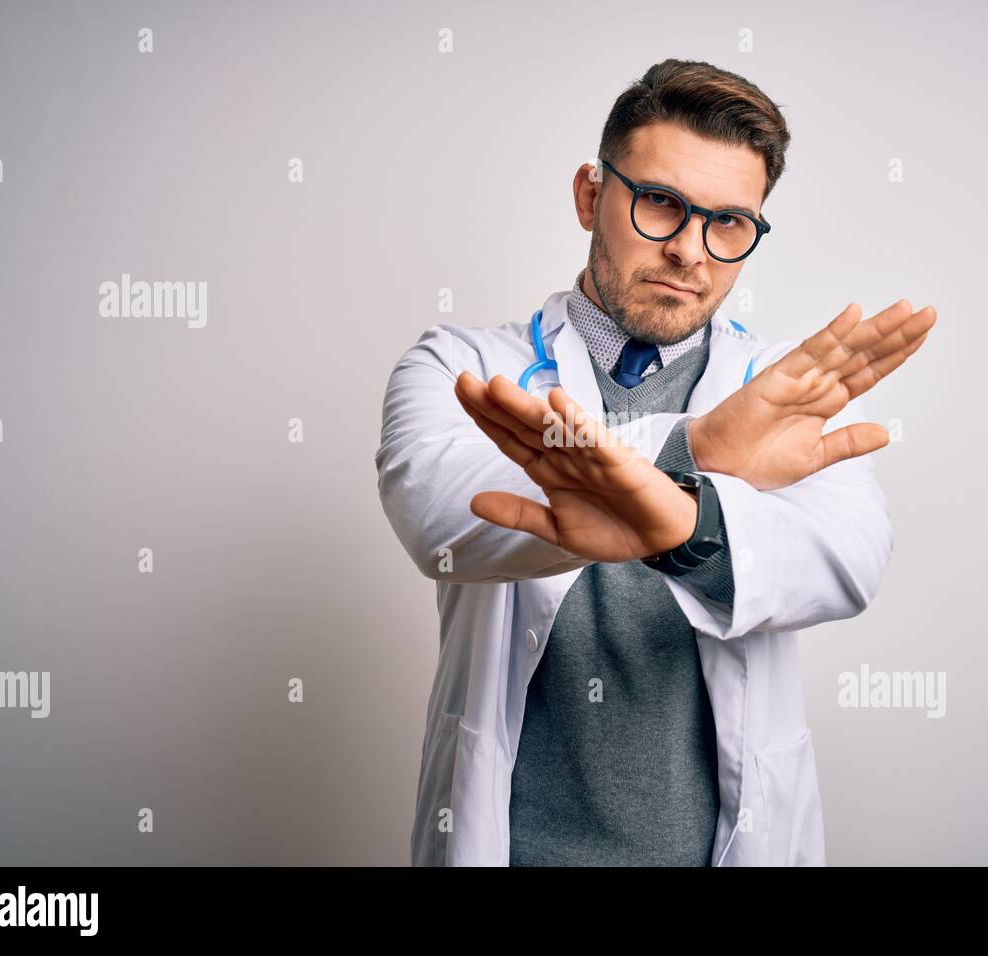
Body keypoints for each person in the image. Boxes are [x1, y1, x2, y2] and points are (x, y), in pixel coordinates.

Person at [375, 58, 936, 866]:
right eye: (661, 205)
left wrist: (678, 518)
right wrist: (698, 452)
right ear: (588, 196)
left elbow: (846, 563)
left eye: (730, 222)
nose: (691, 252)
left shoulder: (782, 387)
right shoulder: (460, 365)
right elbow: (441, 522)